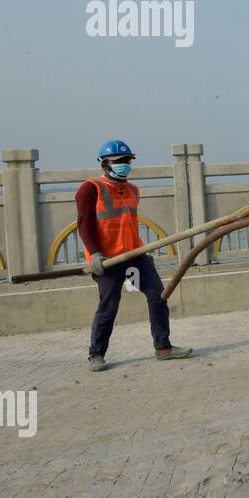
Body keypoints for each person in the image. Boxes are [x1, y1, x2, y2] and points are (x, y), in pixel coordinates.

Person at [77, 139, 193, 371]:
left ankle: (163, 347)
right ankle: (96, 354)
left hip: (134, 259)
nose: (124, 165)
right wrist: (96, 255)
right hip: (108, 262)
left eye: (127, 160)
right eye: (119, 161)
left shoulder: (133, 189)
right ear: (104, 165)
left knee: (157, 296)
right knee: (109, 306)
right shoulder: (90, 189)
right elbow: (84, 226)